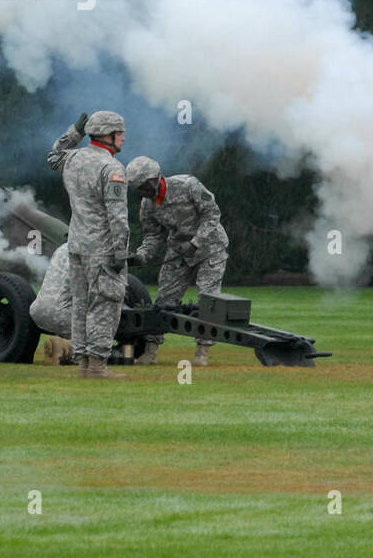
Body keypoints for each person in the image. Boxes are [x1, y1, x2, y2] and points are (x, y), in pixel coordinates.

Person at [47, 111, 130, 379]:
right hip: (103, 249)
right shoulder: (112, 168)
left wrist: (75, 131)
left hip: (77, 246)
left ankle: (82, 365)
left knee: (80, 306)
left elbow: (54, 156)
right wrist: (121, 251)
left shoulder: (73, 158)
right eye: (120, 133)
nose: (124, 138)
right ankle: (97, 367)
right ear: (109, 136)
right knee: (105, 304)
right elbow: (118, 216)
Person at [125, 156, 230, 367]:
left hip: (210, 247)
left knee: (208, 298)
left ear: (155, 179)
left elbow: (212, 214)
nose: (141, 192)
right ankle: (151, 351)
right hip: (178, 252)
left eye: (143, 186)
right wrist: (141, 256)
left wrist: (196, 242)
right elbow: (153, 236)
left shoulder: (188, 185)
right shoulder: (147, 205)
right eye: (138, 188)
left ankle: (202, 351)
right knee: (164, 299)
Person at [31, 243, 74, 364]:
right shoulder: (90, 251)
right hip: (62, 315)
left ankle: (61, 347)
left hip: (37, 311)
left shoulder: (62, 248)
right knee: (97, 343)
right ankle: (62, 348)